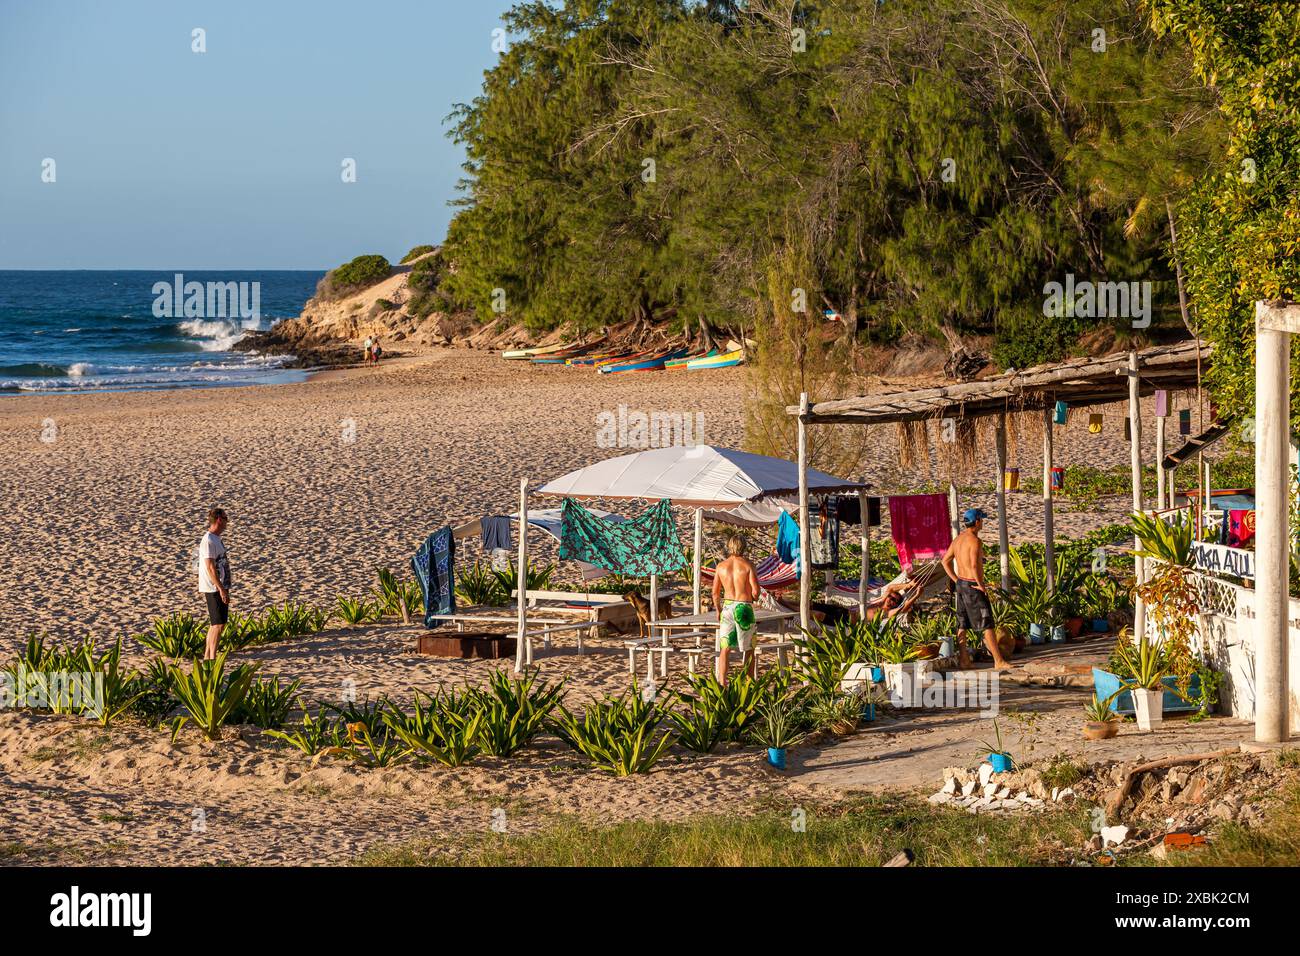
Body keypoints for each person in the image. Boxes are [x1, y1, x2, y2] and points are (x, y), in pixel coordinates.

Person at [941, 507, 1011, 670]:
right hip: (973, 585)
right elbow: (973, 565)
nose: (983, 523)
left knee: (962, 624)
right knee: (986, 623)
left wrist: (956, 579)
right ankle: (998, 661)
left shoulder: (958, 539)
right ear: (977, 521)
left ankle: (964, 660)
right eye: (982, 520)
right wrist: (981, 585)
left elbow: (945, 561)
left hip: (962, 585)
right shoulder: (975, 541)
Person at [711, 534, 759, 685]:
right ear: (743, 546)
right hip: (743, 607)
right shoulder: (747, 565)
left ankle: (722, 682)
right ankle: (749, 681)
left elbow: (715, 593)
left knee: (725, 647)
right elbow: (756, 591)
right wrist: (754, 598)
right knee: (749, 648)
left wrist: (718, 610)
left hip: (727, 607)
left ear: (729, 546)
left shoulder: (720, 566)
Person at [197, 507, 231, 660]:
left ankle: (207, 657)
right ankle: (212, 658)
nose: (227, 521)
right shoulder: (209, 540)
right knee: (218, 625)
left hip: (219, 586)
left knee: (218, 624)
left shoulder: (215, 538)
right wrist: (221, 588)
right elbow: (210, 567)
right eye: (225, 518)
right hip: (214, 587)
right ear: (218, 519)